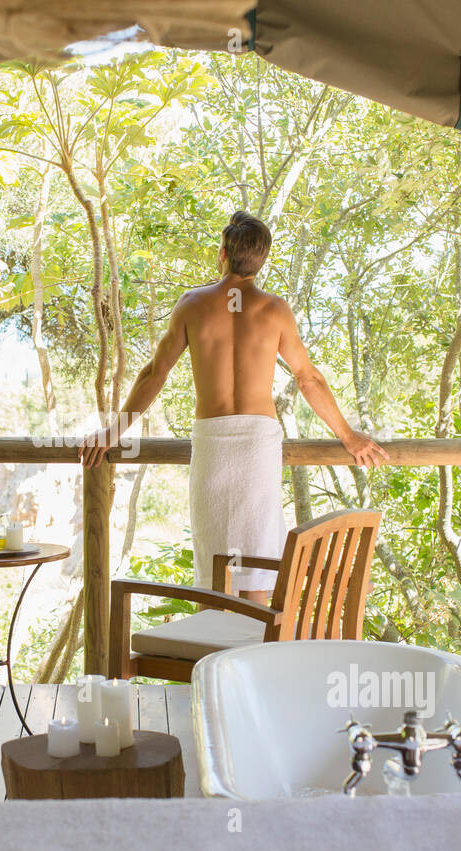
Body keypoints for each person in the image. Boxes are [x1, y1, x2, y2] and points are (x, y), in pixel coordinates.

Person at [80, 210, 388, 605]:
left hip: (213, 441)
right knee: (258, 557)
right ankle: (256, 641)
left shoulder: (192, 304)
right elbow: (308, 379)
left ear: (222, 252)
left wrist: (113, 432)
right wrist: (348, 436)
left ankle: (217, 639)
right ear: (261, 260)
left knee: (216, 561)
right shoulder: (275, 310)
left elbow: (155, 373)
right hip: (258, 443)